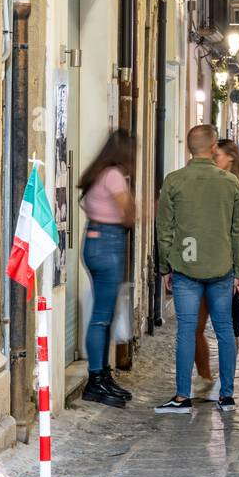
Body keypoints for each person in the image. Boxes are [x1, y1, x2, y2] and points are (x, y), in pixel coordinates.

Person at [155, 125, 239, 414]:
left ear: (189, 149)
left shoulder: (174, 181)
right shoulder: (230, 183)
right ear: (212, 148)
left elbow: (164, 229)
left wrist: (164, 266)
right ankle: (227, 396)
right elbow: (237, 232)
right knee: (224, 329)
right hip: (221, 268)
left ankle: (182, 397)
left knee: (186, 330)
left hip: (185, 268)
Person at [78, 131, 137, 407]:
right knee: (102, 316)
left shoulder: (99, 173)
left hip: (94, 241)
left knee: (104, 314)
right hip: (108, 244)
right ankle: (96, 380)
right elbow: (128, 214)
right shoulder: (113, 176)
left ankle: (102, 374)